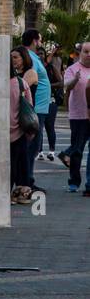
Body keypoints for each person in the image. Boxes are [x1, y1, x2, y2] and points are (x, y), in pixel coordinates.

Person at [21, 29, 50, 193]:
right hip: (35, 109)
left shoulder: (33, 56)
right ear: (34, 40)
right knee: (31, 146)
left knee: (33, 147)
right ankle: (27, 181)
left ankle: (28, 179)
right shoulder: (29, 57)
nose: (41, 43)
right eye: (40, 40)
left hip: (40, 108)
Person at [60, 42, 90, 194]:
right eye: (86, 51)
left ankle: (89, 184)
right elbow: (66, 87)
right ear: (80, 53)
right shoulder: (73, 69)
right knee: (77, 150)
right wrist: (75, 79)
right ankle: (74, 182)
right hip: (79, 115)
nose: (89, 54)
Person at [10, 48, 36, 204]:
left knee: (16, 162)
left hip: (15, 128)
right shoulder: (20, 82)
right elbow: (30, 103)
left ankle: (16, 192)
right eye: (11, 58)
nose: (13, 60)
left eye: (16, 57)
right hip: (21, 127)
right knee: (21, 161)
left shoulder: (27, 76)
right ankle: (21, 193)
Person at [43, 43, 64, 163]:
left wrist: (48, 86)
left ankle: (51, 151)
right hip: (38, 101)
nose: (40, 56)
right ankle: (39, 152)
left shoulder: (52, 67)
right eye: (38, 54)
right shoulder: (33, 68)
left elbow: (61, 82)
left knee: (49, 126)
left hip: (51, 100)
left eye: (42, 54)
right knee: (38, 127)